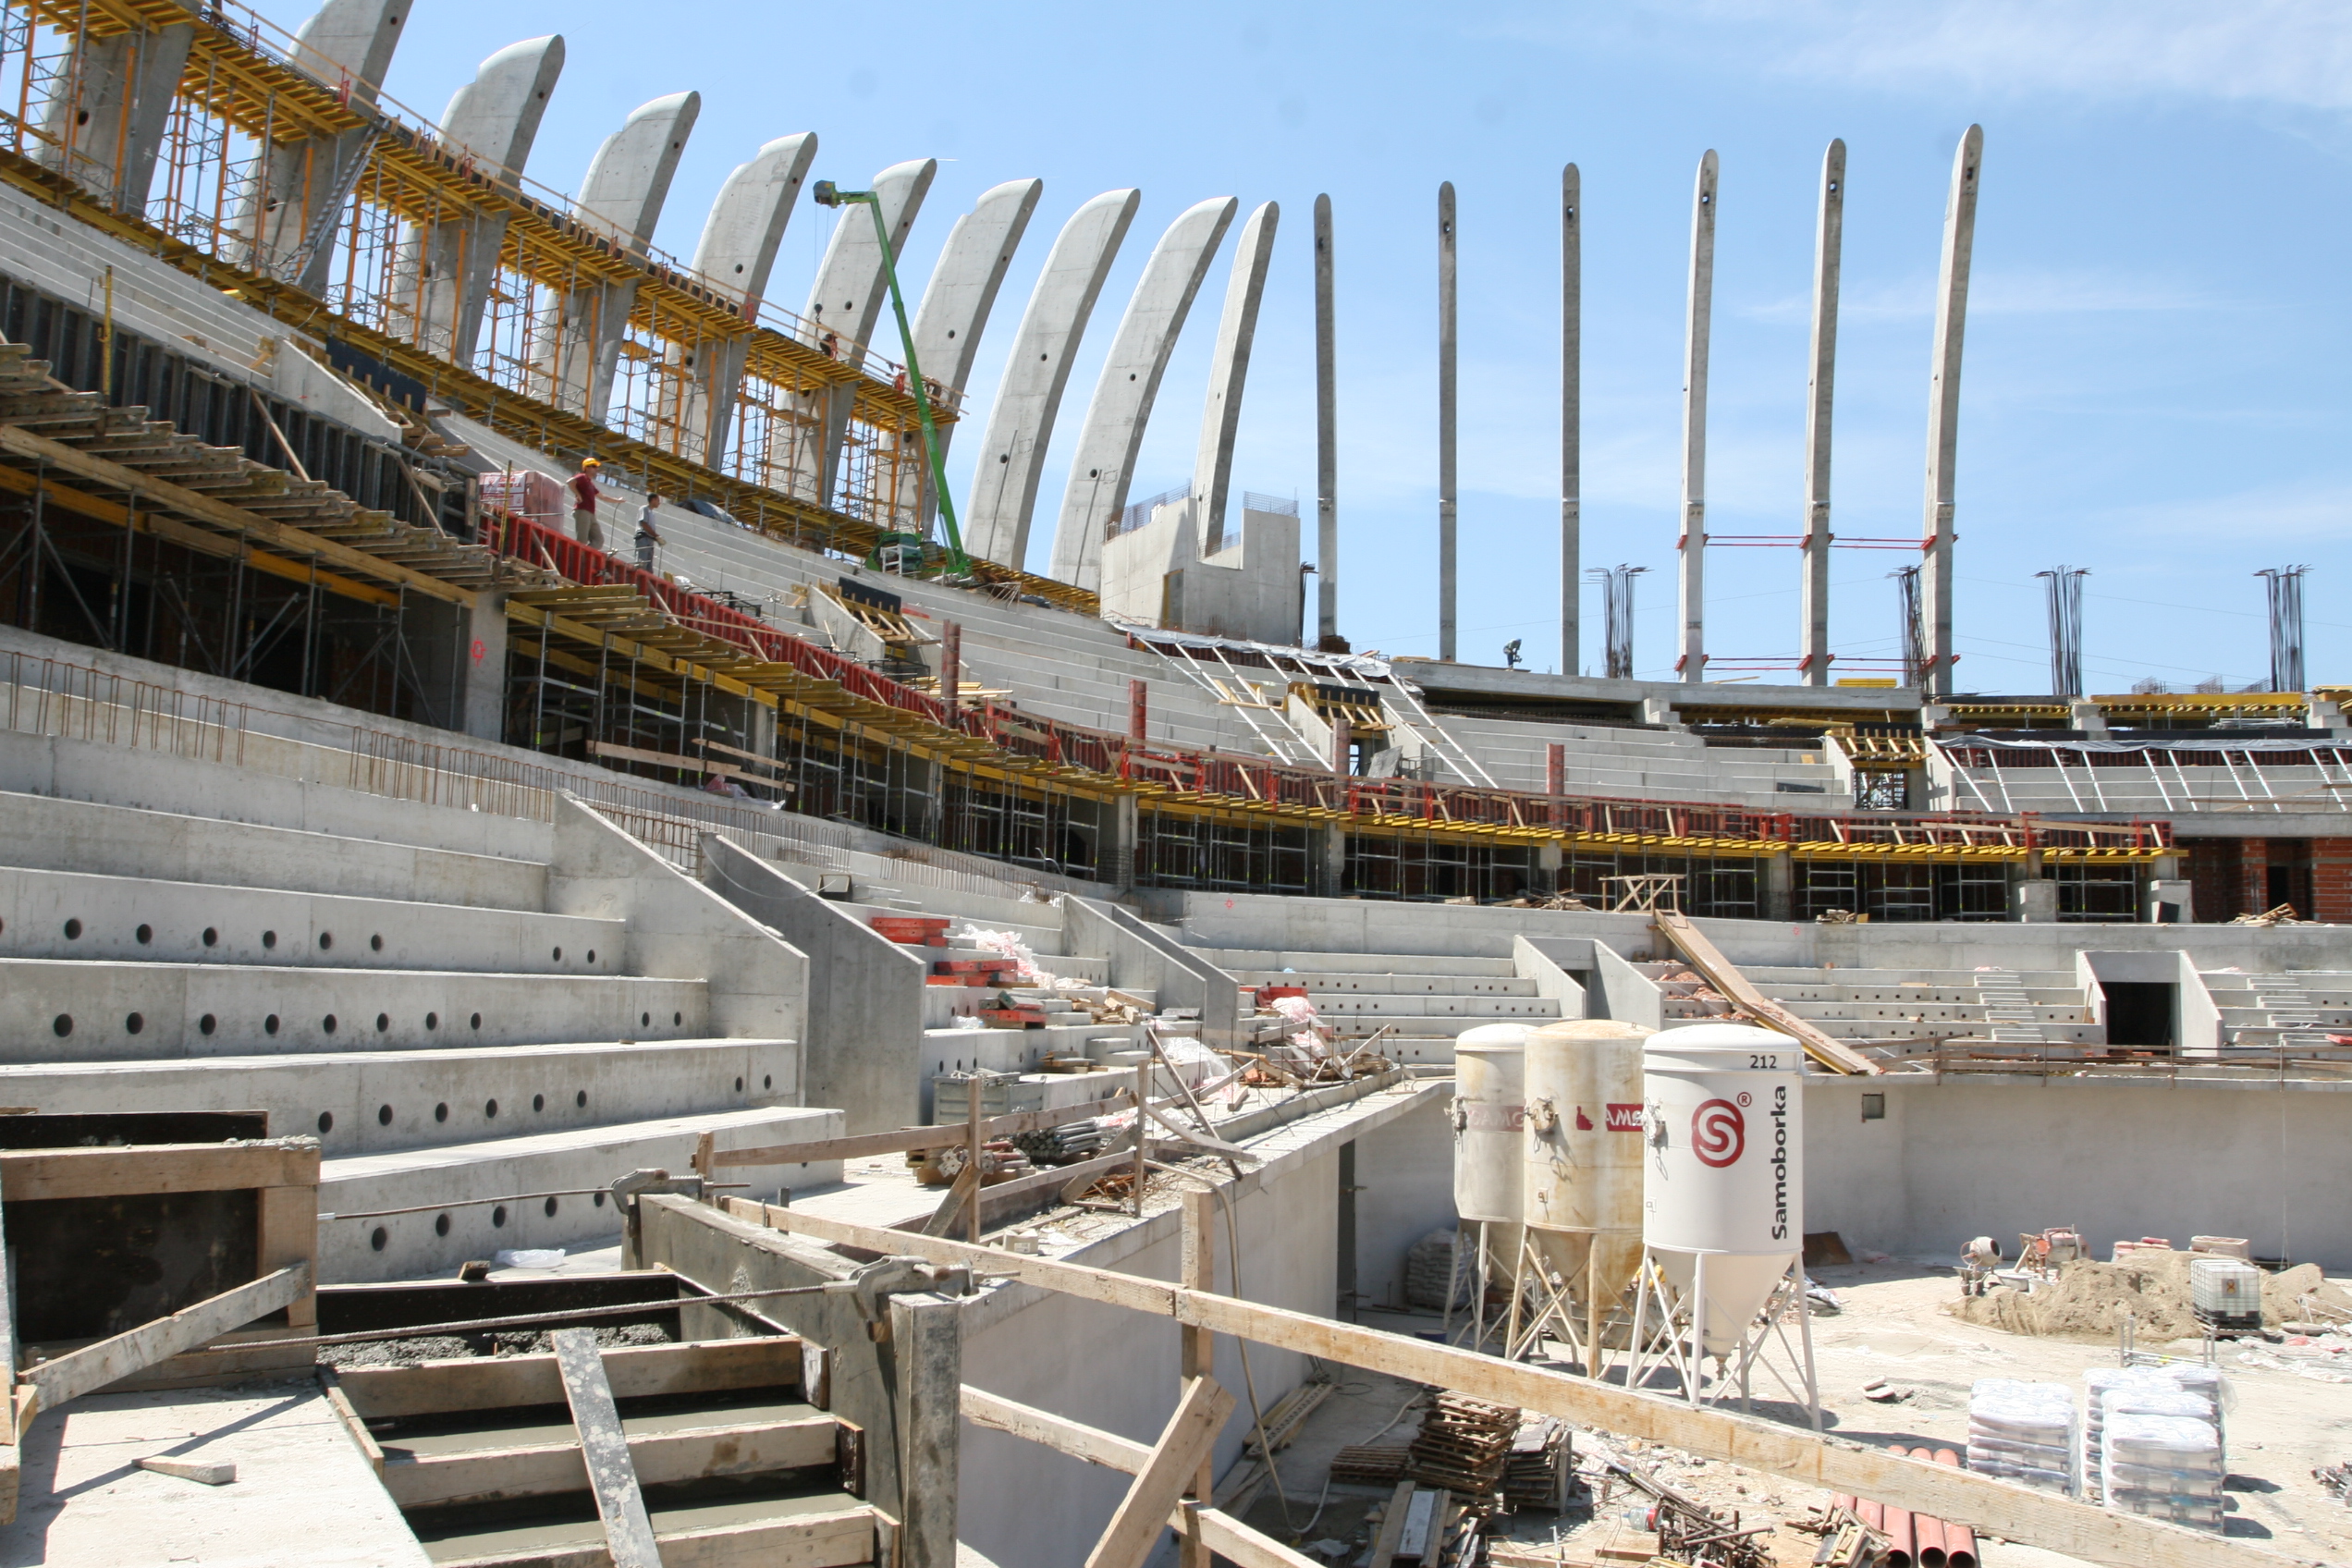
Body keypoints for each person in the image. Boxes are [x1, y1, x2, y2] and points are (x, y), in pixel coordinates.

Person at [568, 458, 603, 550]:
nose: (596, 469)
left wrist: (617, 500)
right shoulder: (582, 477)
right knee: (582, 540)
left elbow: (602, 496)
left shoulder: (590, 483)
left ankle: (583, 554)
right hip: (583, 510)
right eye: (594, 466)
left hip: (590, 513)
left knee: (599, 540)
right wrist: (578, 494)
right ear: (586, 468)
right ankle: (576, 556)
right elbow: (570, 482)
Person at [634, 492, 665, 573]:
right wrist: (656, 535)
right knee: (642, 562)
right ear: (653, 500)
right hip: (643, 538)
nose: (659, 503)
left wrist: (655, 537)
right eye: (658, 500)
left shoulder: (652, 513)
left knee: (648, 565)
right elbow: (644, 523)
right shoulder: (644, 509)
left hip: (649, 539)